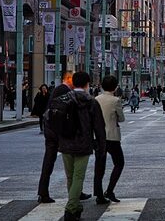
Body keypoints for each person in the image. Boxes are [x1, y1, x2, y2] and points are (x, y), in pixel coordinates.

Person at [53, 72, 106, 221]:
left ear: (73, 83)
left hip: (65, 143)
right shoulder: (91, 102)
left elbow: (51, 119)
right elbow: (99, 127)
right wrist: (101, 146)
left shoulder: (63, 99)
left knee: (70, 177)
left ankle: (75, 208)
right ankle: (70, 209)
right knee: (78, 177)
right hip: (83, 144)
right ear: (87, 84)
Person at [38, 71, 76, 204]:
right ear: (69, 79)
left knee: (52, 160)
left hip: (51, 129)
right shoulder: (62, 90)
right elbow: (59, 112)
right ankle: (44, 192)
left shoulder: (61, 89)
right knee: (56, 161)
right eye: (73, 79)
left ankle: (44, 192)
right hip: (55, 131)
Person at [94, 75, 125, 205]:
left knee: (99, 166)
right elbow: (121, 118)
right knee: (119, 163)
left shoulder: (95, 99)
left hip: (98, 137)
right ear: (115, 87)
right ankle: (110, 190)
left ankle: (99, 194)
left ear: (101, 86)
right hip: (112, 136)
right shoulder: (115, 100)